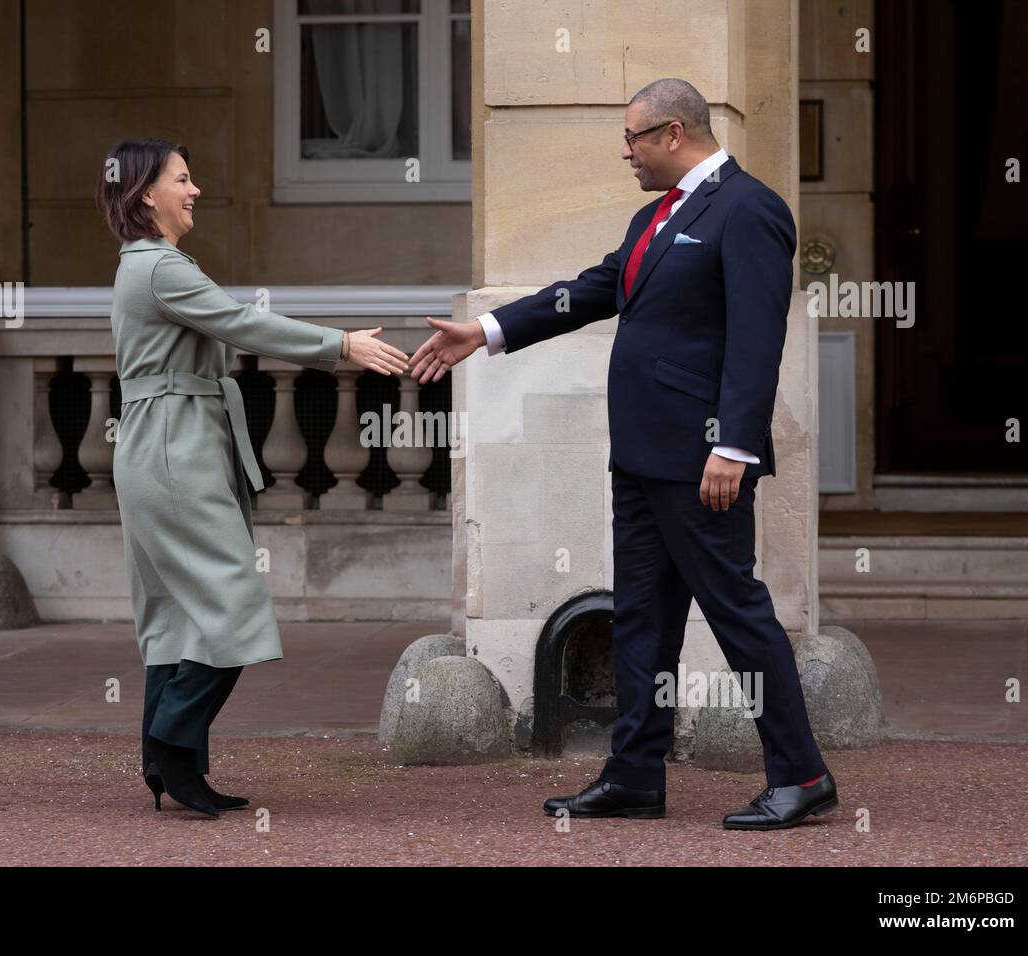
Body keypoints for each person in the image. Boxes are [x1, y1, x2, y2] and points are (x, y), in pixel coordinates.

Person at [408, 78, 836, 830]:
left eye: (633, 138)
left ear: (673, 132)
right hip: (640, 458)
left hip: (705, 462)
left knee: (737, 612)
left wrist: (732, 446)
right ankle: (636, 775)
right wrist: (484, 331)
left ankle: (801, 775)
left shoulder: (751, 209)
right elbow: (590, 290)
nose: (624, 152)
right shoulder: (654, 218)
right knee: (642, 619)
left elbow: (757, 341)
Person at [96, 138, 408, 817]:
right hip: (175, 449)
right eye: (183, 178)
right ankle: (168, 743)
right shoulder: (158, 268)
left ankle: (172, 765)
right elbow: (243, 323)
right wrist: (342, 344)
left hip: (169, 444)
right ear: (145, 194)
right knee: (233, 607)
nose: (195, 189)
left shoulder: (151, 266)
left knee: (178, 614)